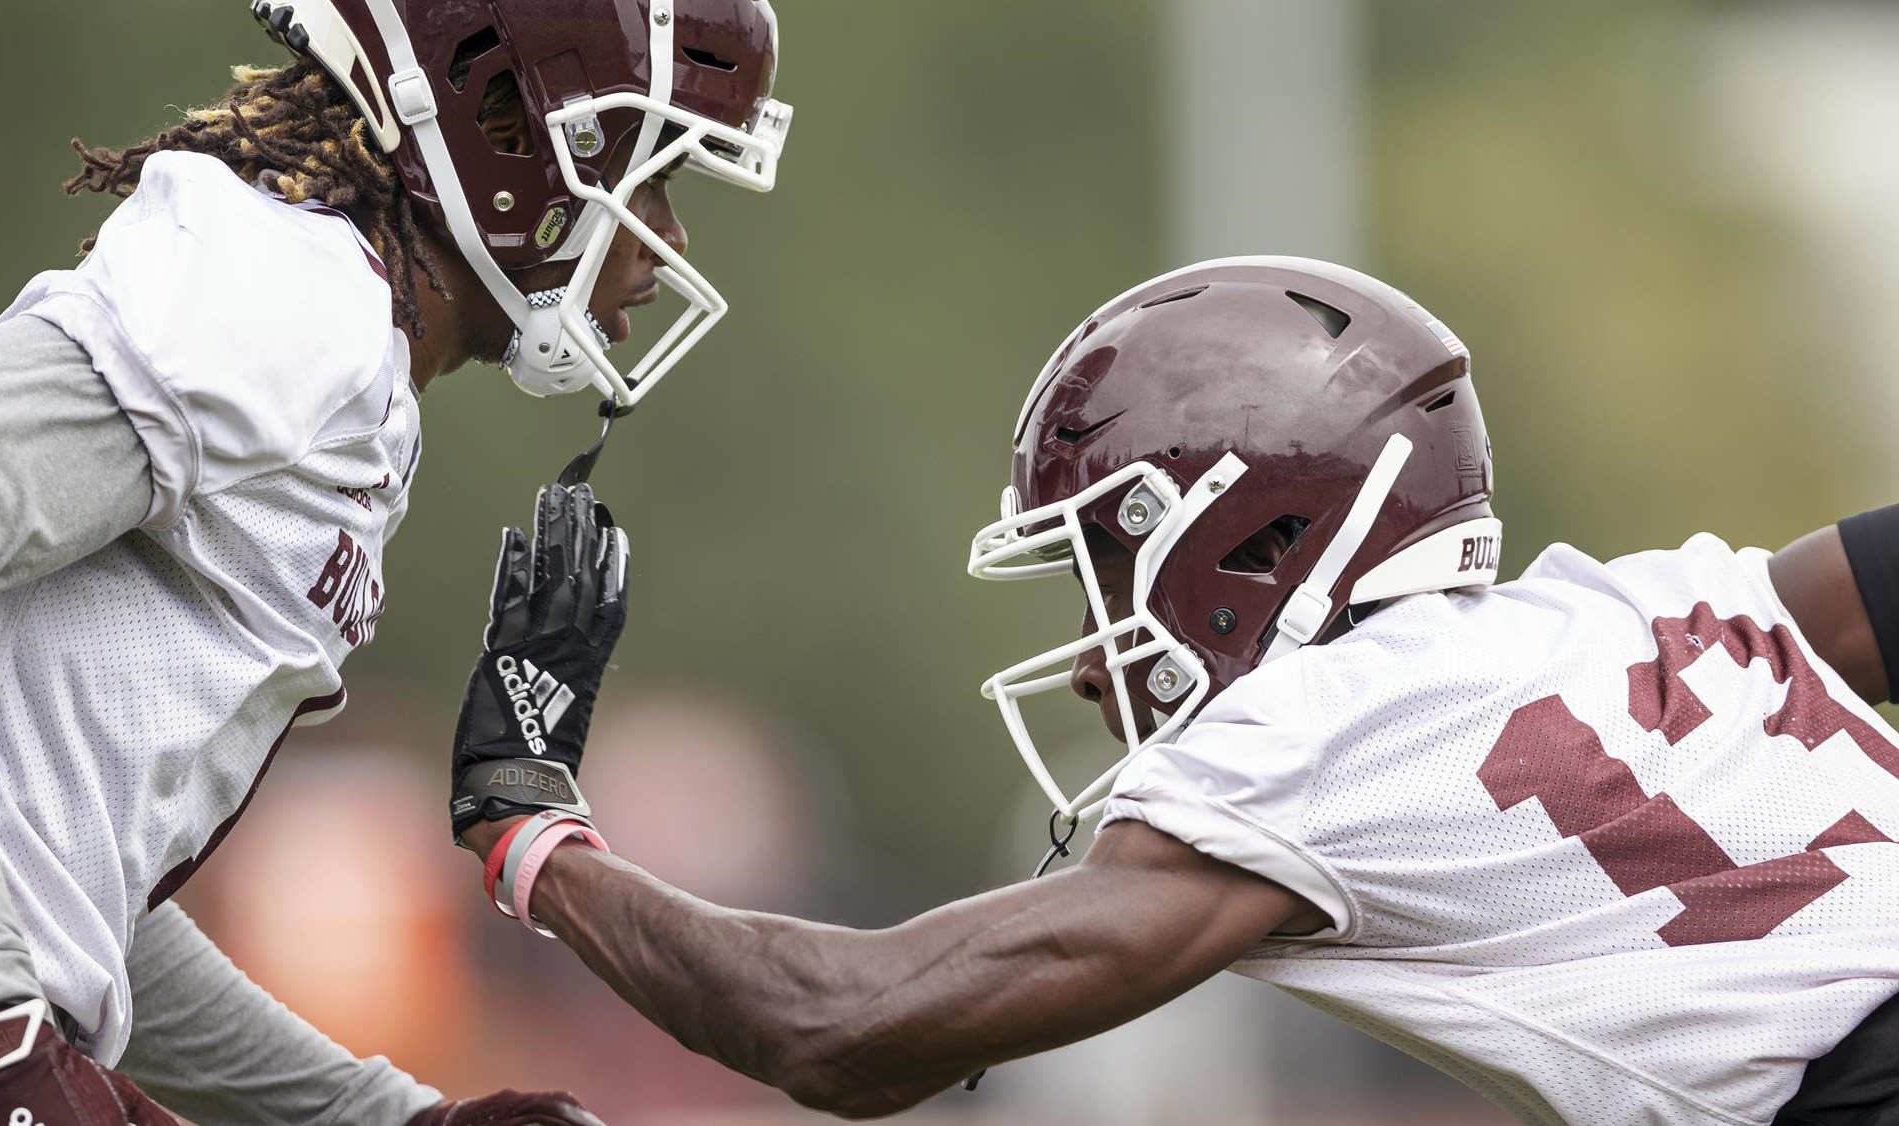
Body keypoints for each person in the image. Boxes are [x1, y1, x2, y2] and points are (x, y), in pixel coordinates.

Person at [449, 256, 1899, 1126]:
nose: (1091, 651)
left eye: (1102, 571)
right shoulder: (1646, 600)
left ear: (1250, 538)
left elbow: (840, 1024)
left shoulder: (1311, 732)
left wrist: (531, 832)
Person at [0, 0, 790, 1122]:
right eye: (649, 176)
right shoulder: (293, 296)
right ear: (503, 135)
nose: (669, 236)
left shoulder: (358, 375)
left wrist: (386, 1114)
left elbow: (65, 884)